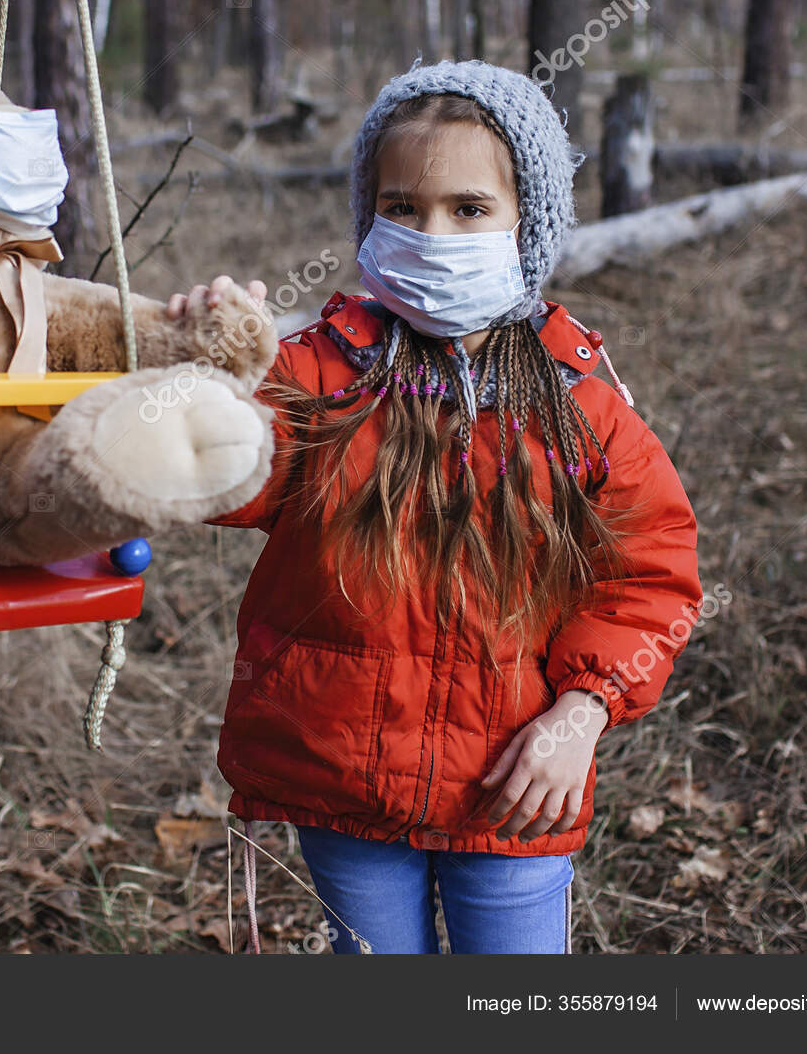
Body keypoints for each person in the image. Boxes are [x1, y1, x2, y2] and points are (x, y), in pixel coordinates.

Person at [174, 57, 703, 955]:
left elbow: (652, 580)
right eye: (399, 208)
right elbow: (215, 472)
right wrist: (204, 368)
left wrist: (581, 713)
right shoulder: (316, 376)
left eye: (469, 208)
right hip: (345, 783)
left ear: (526, 222)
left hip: (514, 789)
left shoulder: (581, 409)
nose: (432, 232)